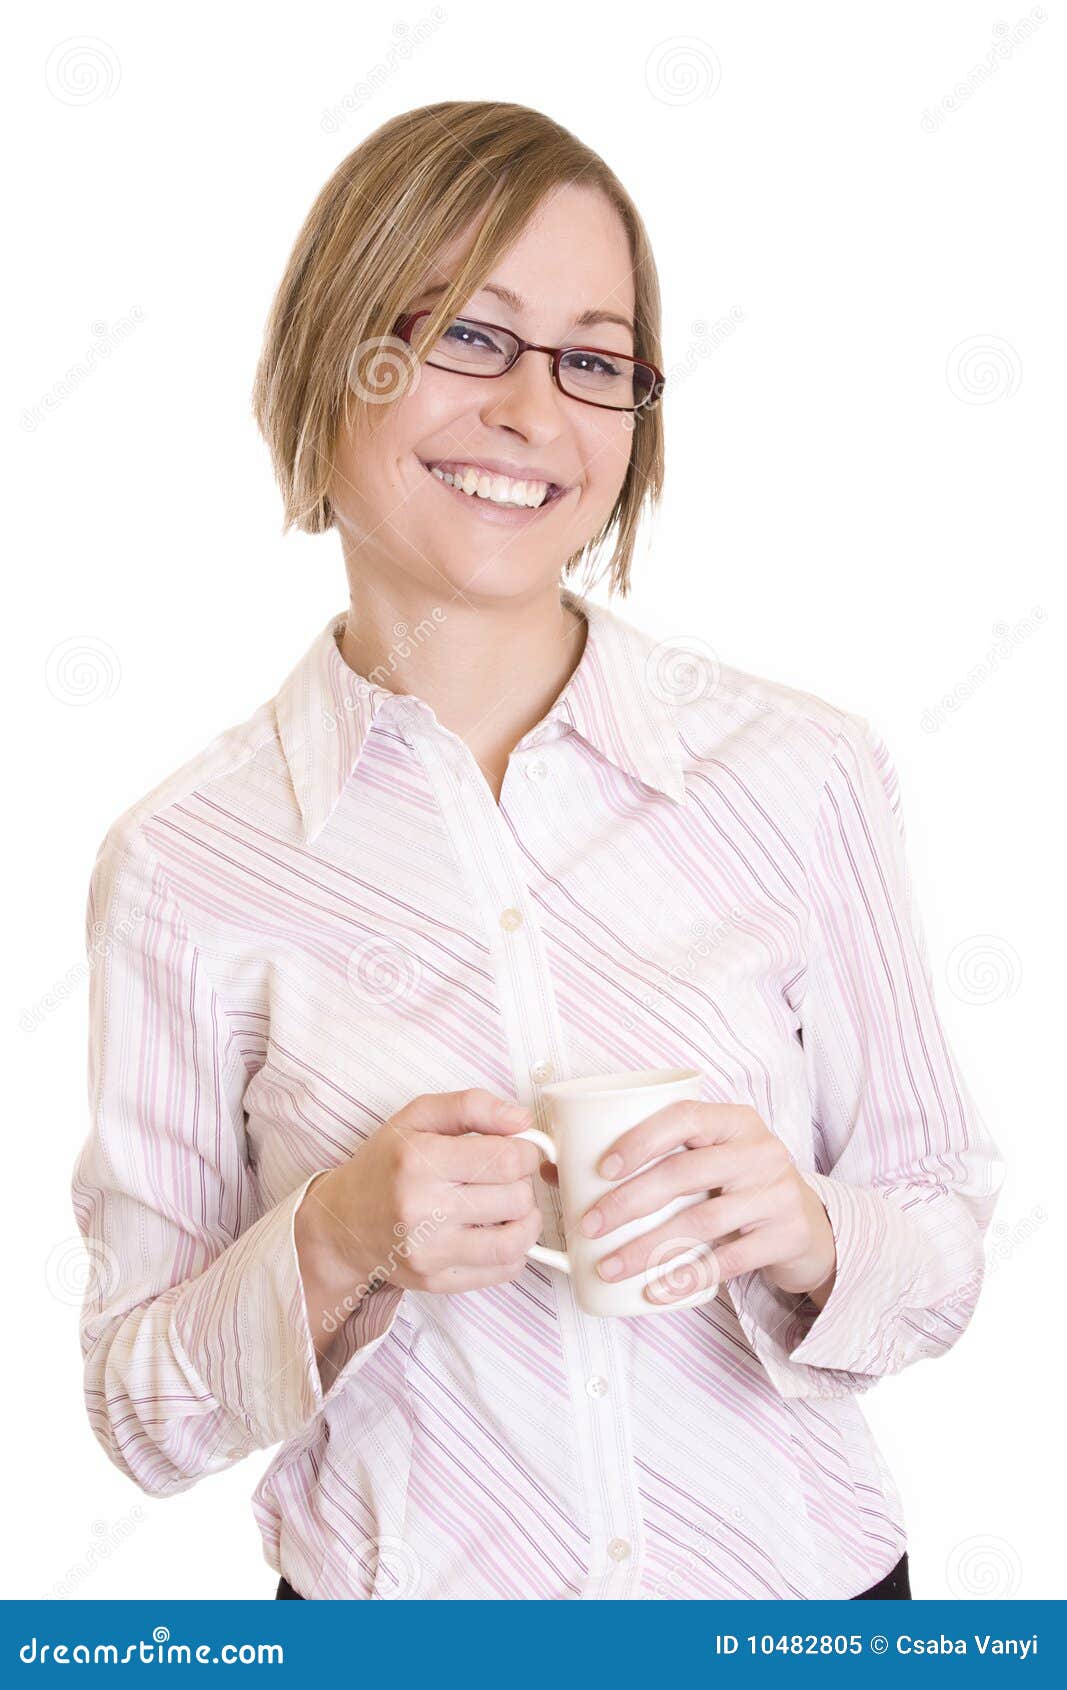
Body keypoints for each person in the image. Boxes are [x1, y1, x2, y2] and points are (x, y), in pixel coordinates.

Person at [71, 100, 1002, 1601]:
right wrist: (335, 1236)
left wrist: (813, 1227)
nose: (533, 410)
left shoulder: (803, 774)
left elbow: (944, 1228)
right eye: (467, 335)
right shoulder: (186, 865)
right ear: (334, 357)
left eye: (594, 357)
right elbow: (139, 1409)